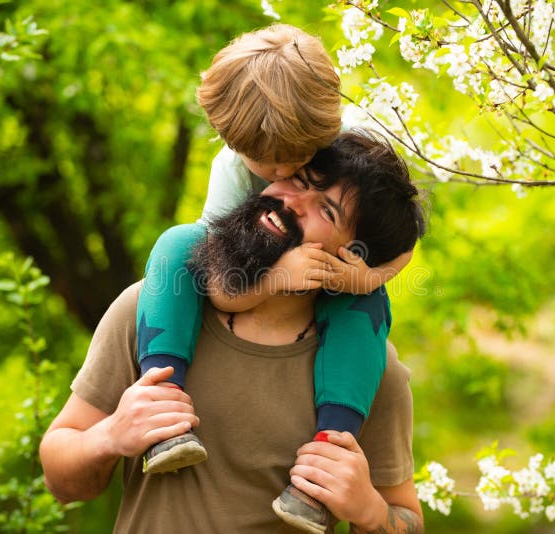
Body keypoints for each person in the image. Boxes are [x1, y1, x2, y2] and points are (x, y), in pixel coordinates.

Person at [40, 130, 426, 533]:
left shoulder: (374, 371)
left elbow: (406, 517)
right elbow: (60, 481)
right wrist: (109, 436)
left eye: (325, 211)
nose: (290, 203)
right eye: (298, 180)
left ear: (353, 256)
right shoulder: (149, 308)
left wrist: (369, 511)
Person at [135, 24, 414, 527]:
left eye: (297, 160)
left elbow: (404, 243)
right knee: (176, 245)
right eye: (268, 166)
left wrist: (365, 280)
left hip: (336, 270)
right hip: (252, 269)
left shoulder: (364, 140)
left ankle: (328, 457)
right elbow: (217, 284)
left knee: (367, 309)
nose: (280, 172)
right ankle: (163, 408)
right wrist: (275, 277)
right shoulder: (231, 172)